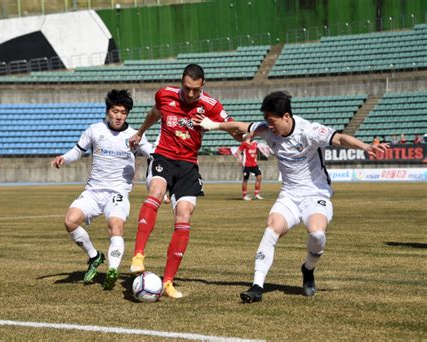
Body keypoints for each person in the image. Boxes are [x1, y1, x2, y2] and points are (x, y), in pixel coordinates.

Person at [196, 91, 390, 302]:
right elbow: (240, 126)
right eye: (267, 121)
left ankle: (308, 269)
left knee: (317, 235)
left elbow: (340, 138)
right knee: (272, 229)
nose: (269, 126)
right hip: (289, 194)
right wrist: (212, 125)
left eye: (273, 121)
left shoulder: (309, 130)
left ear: (286, 116)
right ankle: (257, 286)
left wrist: (365, 146)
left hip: (315, 193)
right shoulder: (267, 129)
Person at [128, 63, 243, 298]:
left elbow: (235, 129)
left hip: (189, 165)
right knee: (157, 192)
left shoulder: (210, 105)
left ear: (203, 86)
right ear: (182, 82)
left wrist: (219, 126)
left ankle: (168, 282)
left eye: (196, 90)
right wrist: (140, 132)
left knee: (184, 214)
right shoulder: (165, 94)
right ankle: (138, 254)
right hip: (164, 157)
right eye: (187, 88)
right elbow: (154, 113)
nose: (191, 94)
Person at [51, 89, 152, 290]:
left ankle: (113, 270)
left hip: (117, 193)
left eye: (123, 112)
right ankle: (95, 257)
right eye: (115, 111)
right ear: (108, 111)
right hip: (93, 190)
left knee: (115, 225)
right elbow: (77, 151)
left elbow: (153, 154)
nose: (119, 116)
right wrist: (64, 157)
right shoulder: (95, 130)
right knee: (70, 221)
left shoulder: (135, 135)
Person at [236, 133, 263, 200]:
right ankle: (244, 196)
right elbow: (238, 152)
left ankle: (257, 194)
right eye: (250, 136)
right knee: (245, 179)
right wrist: (239, 159)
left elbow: (256, 152)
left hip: (254, 164)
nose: (252, 136)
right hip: (247, 164)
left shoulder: (255, 143)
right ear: (247, 137)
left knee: (259, 177)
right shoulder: (244, 144)